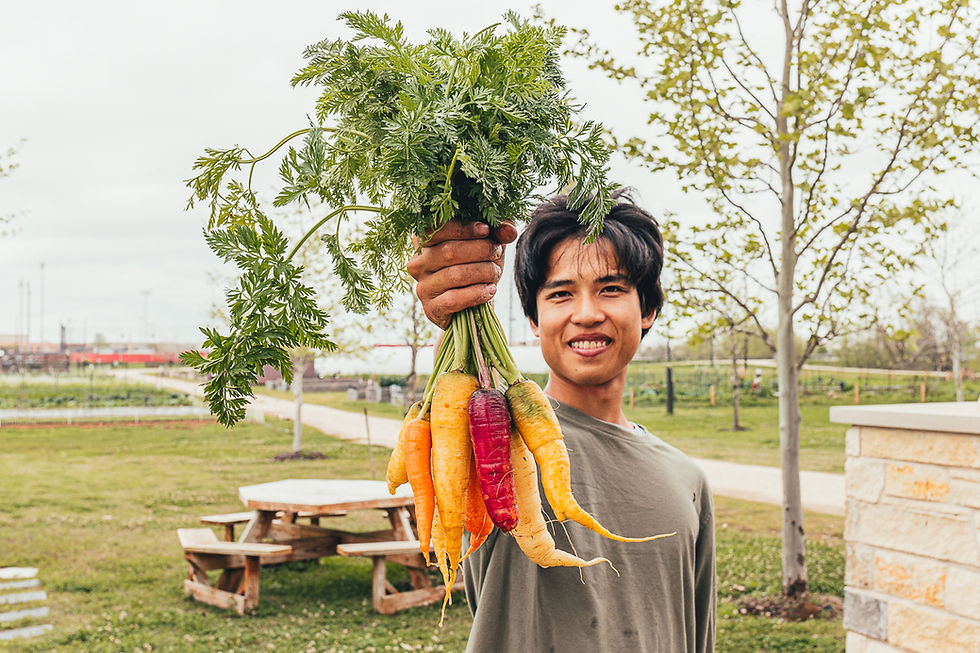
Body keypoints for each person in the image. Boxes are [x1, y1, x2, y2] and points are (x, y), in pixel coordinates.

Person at [408, 190, 716, 653]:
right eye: (561, 293)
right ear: (534, 317)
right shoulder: (499, 441)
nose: (587, 314)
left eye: (611, 289)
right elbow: (456, 412)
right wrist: (453, 292)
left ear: (648, 309)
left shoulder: (688, 480)